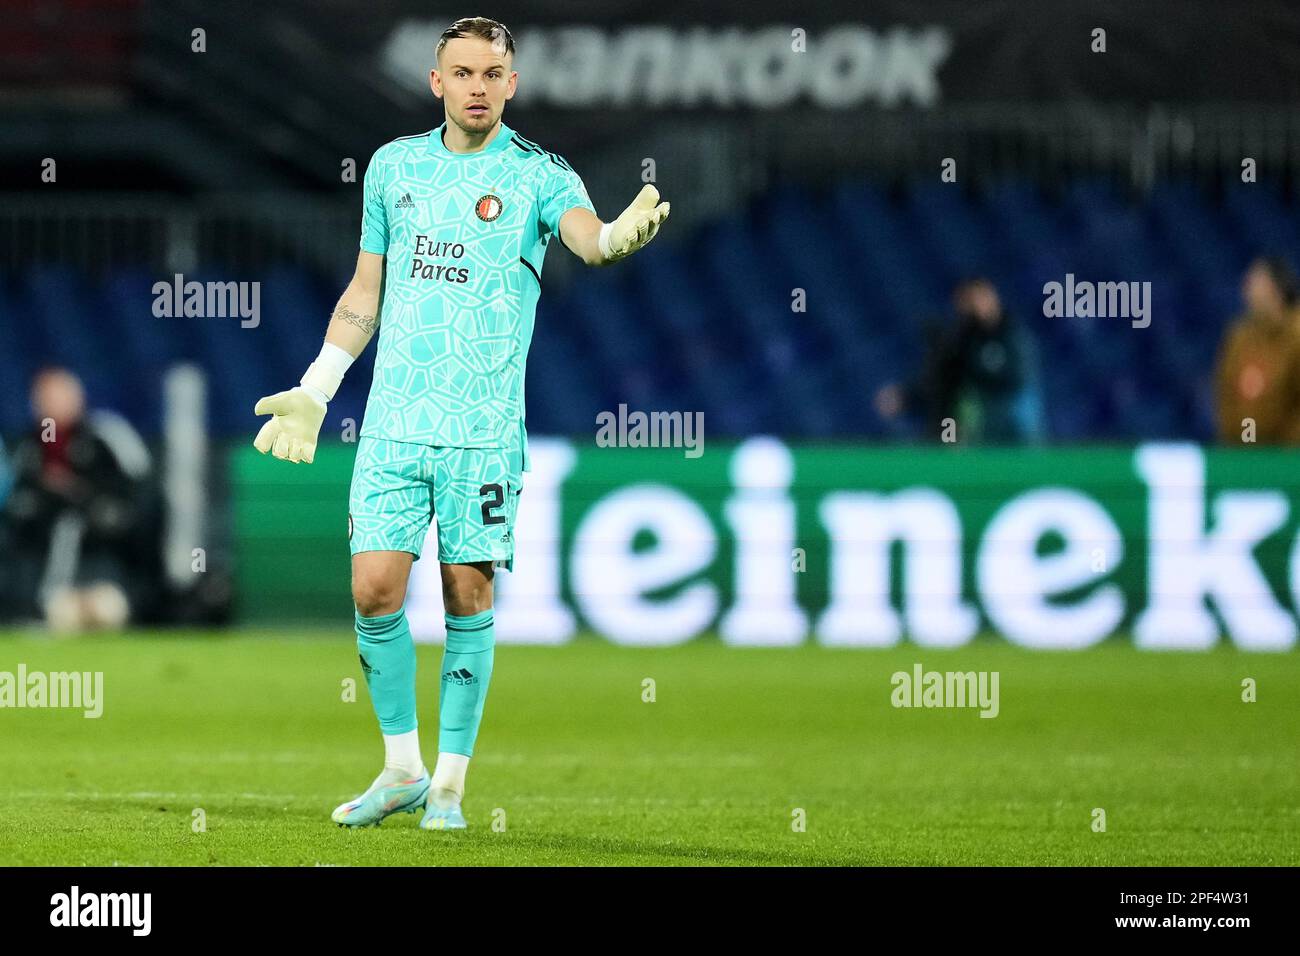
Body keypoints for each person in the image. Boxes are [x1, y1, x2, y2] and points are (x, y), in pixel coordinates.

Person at [251, 17, 669, 831]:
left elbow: (586, 240)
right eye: (462, 72)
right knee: (374, 590)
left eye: (493, 73)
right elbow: (365, 291)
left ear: (512, 84)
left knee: (465, 591)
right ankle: (401, 768)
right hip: (393, 424)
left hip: (481, 429)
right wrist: (317, 386)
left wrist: (615, 237)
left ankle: (448, 786)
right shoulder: (392, 169)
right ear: (436, 81)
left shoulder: (541, 176)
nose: (478, 86)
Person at [0, 367, 156, 631]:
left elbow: (140, 499)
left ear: (78, 397)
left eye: (61, 394)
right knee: (59, 613)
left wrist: (79, 495)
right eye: (45, 397)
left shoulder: (106, 436)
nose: (54, 404)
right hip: (50, 577)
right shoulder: (29, 449)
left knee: (107, 609)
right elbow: (19, 513)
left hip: (106, 569)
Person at [876, 278, 1043, 443]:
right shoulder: (964, 339)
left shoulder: (1014, 335)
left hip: (1013, 413)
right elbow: (941, 378)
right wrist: (907, 396)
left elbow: (1016, 376)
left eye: (975, 299)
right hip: (983, 417)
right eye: (965, 302)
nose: (971, 308)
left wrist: (974, 372)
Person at [1213, 256, 1300, 445]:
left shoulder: (1296, 335)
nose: (1247, 290)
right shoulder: (1239, 338)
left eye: (1255, 282)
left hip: (1289, 459)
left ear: (1277, 289)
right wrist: (1244, 442)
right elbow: (1227, 396)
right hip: (1247, 454)